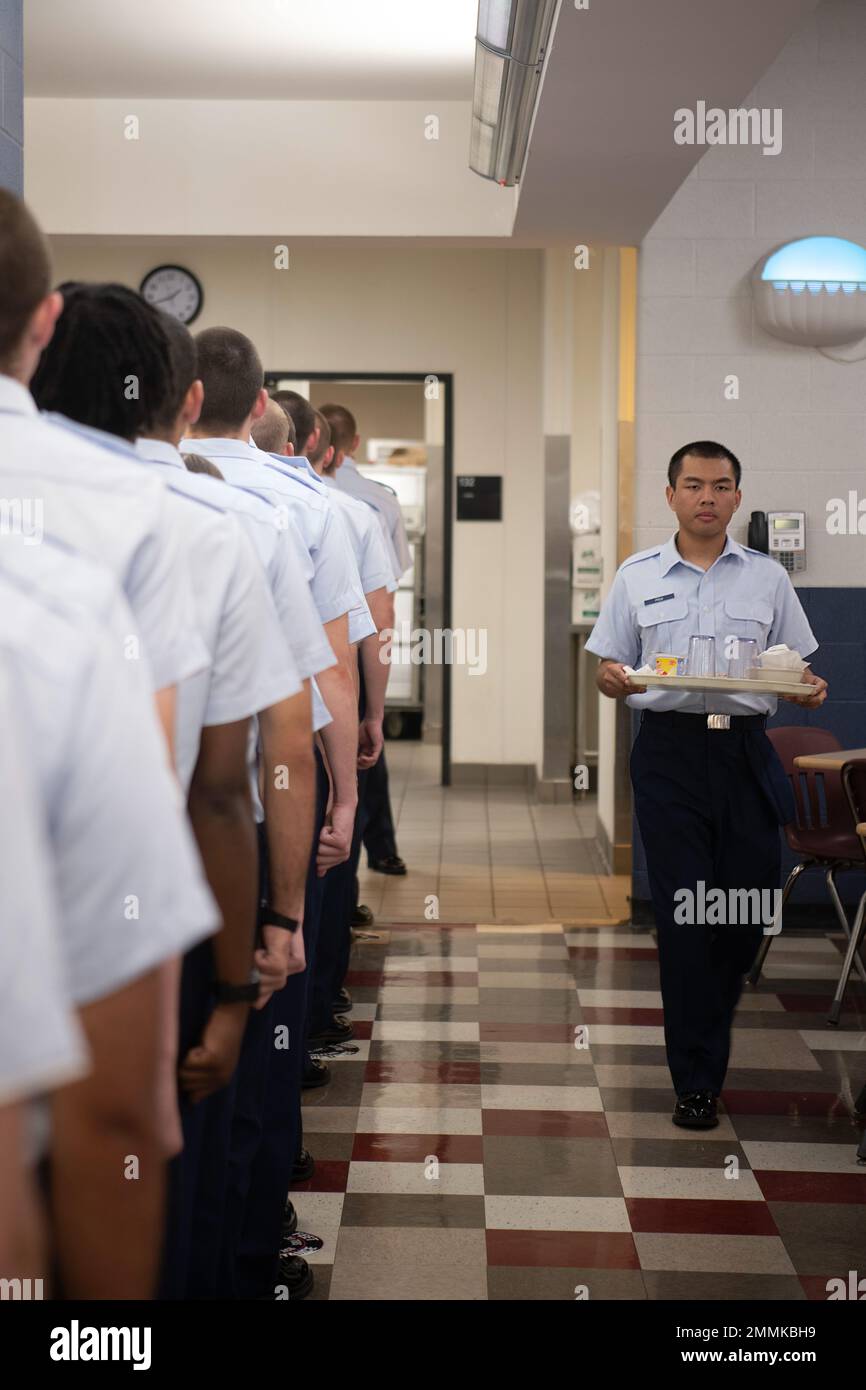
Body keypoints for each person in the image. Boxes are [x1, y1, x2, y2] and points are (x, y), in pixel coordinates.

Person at [30, 282, 310, 1300]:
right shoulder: (205, 530)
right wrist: (242, 978)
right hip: (148, 923)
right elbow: (221, 790)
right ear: (182, 403)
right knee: (148, 1181)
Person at [181, 327, 372, 1300]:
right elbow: (315, 686)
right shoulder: (293, 511)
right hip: (242, 823)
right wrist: (341, 801)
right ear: (260, 406)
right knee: (250, 1052)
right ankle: (247, 1252)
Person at [585, 441, 827, 1129]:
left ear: (736, 497)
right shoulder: (637, 575)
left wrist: (807, 691)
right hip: (668, 756)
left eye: (721, 486)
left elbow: (798, 669)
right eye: (693, 485)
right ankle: (696, 1077)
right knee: (687, 915)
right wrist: (609, 679)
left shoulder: (766, 579)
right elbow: (611, 665)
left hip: (745, 753)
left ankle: (708, 1021)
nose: (707, 497)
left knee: (748, 909)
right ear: (671, 496)